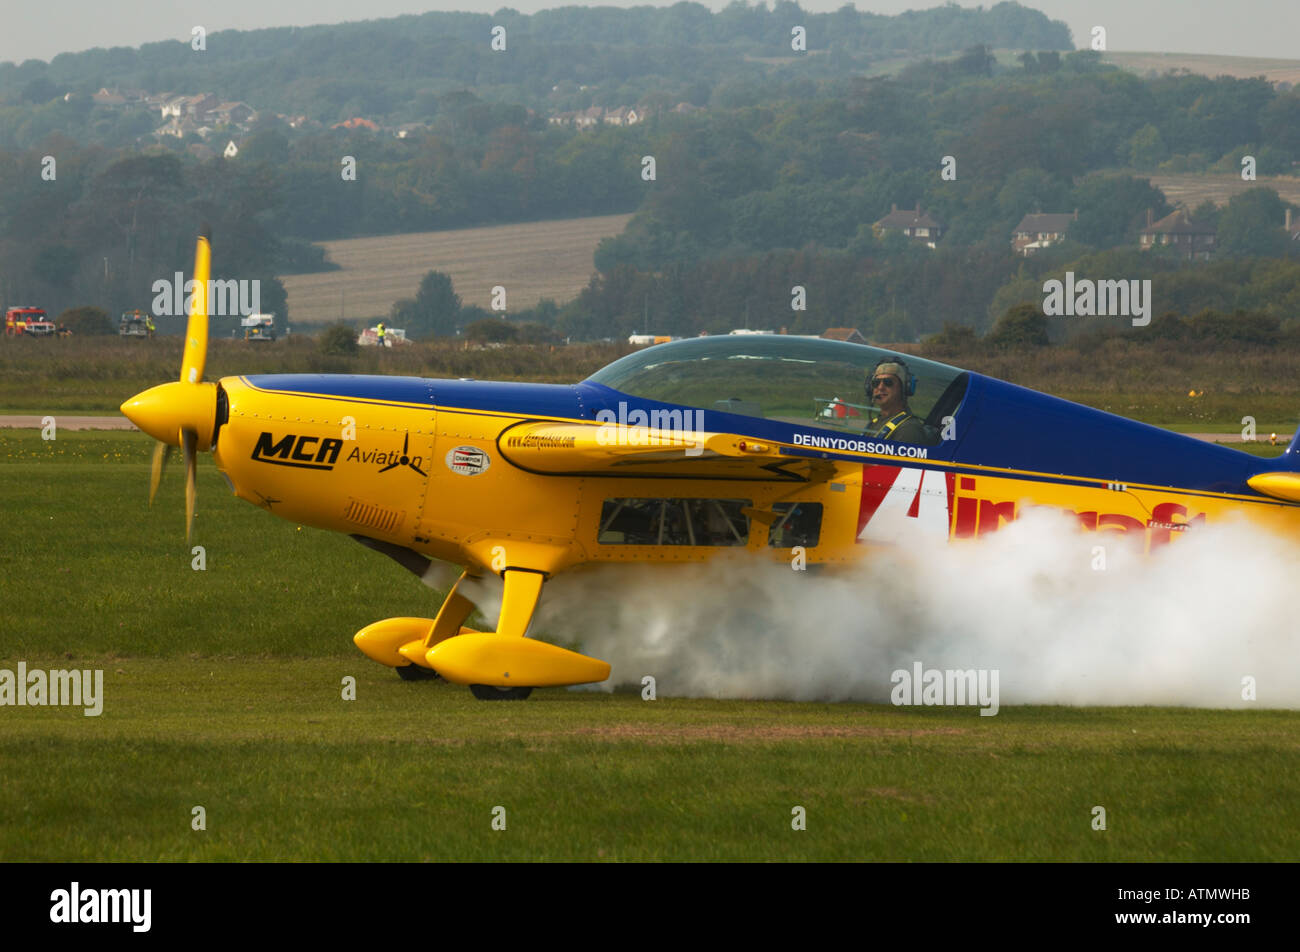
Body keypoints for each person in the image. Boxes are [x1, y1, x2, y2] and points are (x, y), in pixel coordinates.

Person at [865, 358, 929, 444]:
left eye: (888, 382)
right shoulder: (875, 423)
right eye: (876, 383)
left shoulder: (908, 429)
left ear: (904, 388)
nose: (880, 387)